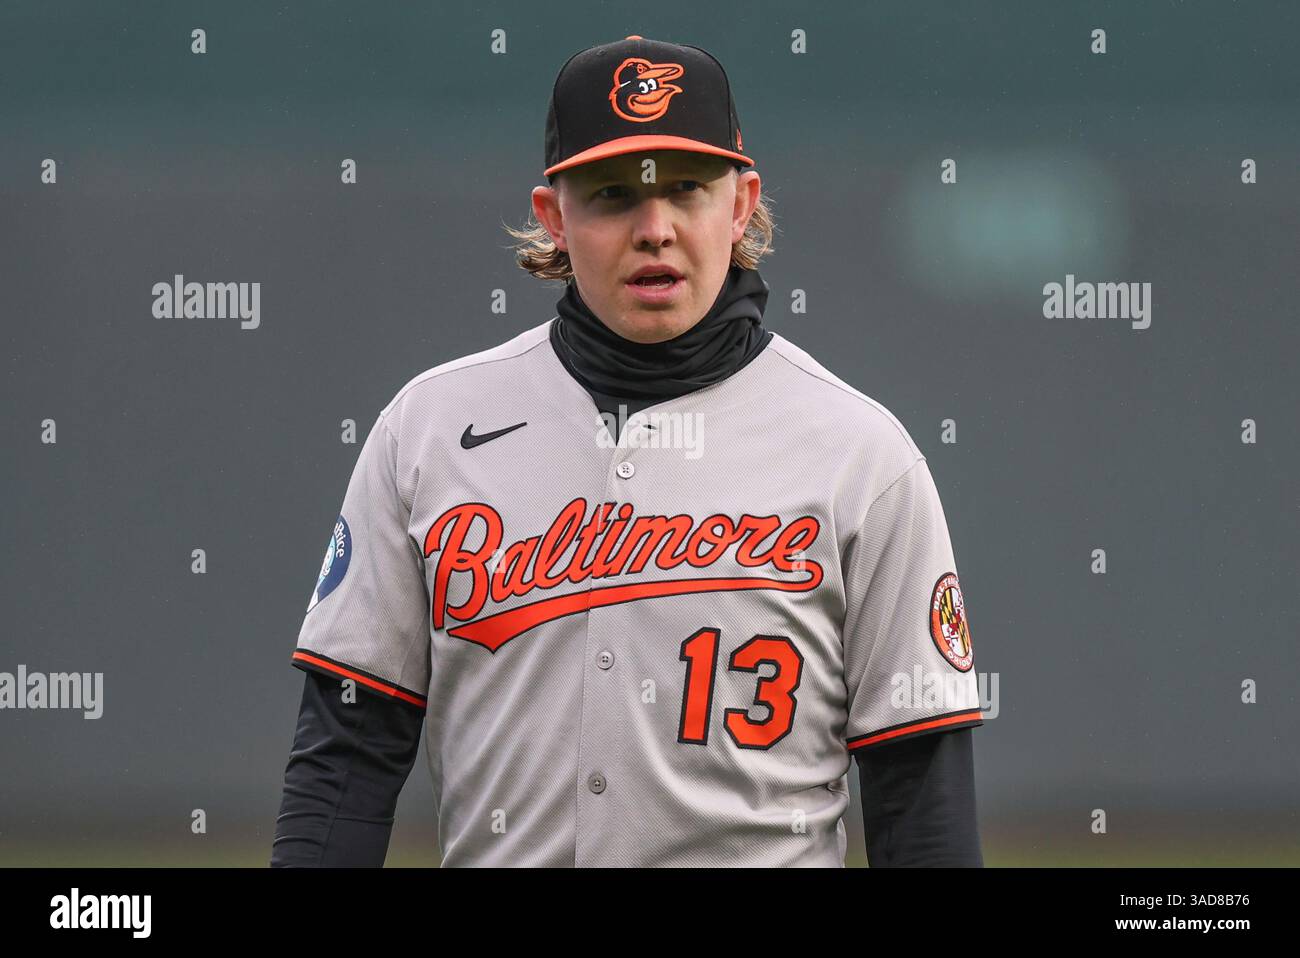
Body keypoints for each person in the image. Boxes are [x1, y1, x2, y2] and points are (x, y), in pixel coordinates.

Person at [271, 34, 984, 868]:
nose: (656, 229)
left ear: (741, 202)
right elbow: (347, 758)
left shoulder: (862, 457)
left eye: (686, 188)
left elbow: (920, 796)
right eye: (613, 195)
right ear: (554, 217)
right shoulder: (427, 430)